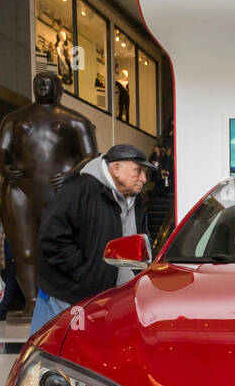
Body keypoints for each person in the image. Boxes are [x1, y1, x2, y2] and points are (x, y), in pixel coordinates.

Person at [31, 143, 153, 333]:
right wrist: (82, 273)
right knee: (53, 353)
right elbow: (51, 235)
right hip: (67, 296)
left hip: (107, 299)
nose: (144, 179)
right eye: (138, 171)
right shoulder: (79, 190)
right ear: (116, 168)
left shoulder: (136, 202)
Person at [0, 224, 25, 321]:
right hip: (9, 260)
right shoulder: (3, 225)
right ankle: (3, 310)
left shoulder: (13, 223)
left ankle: (2, 311)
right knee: (13, 285)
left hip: (14, 259)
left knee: (11, 285)